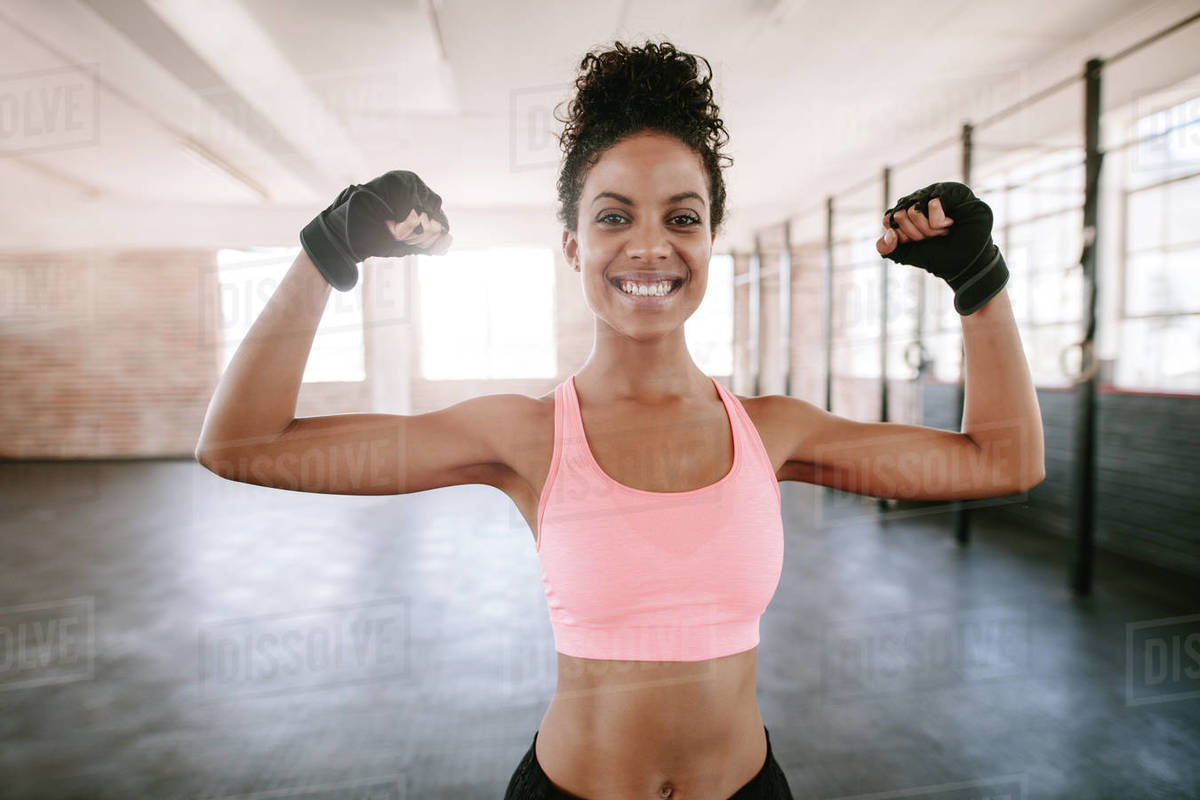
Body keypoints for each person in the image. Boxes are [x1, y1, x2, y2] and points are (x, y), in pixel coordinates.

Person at [196, 38, 1044, 800]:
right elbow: (242, 444)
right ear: (572, 244)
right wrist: (326, 249)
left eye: (683, 217)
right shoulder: (523, 436)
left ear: (712, 239)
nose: (649, 246)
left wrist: (980, 283)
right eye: (613, 217)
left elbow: (1001, 462)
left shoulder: (774, 430)